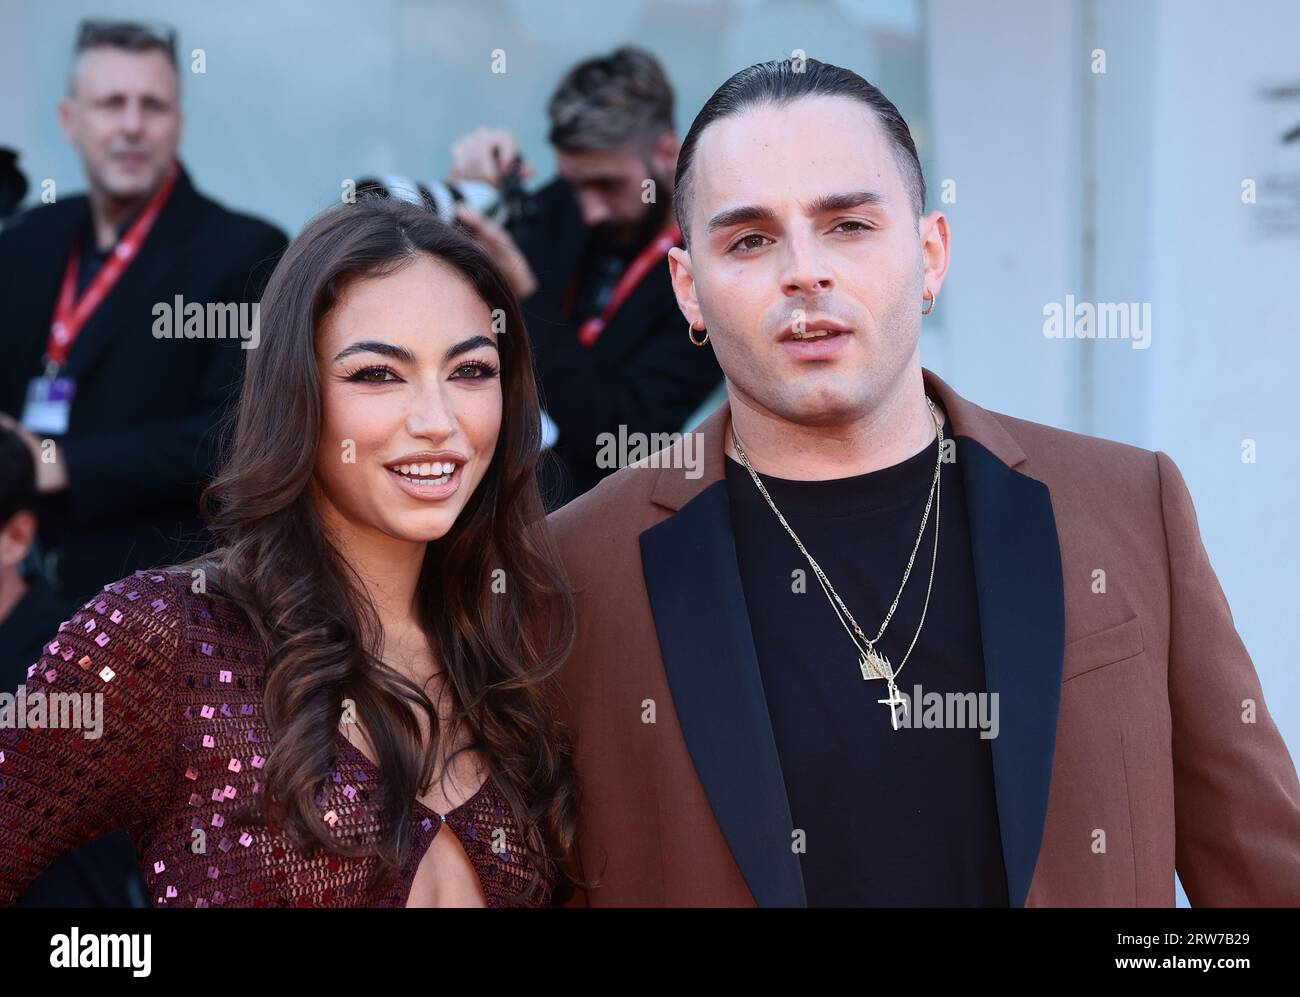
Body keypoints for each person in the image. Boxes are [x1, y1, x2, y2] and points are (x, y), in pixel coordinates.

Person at [545, 58, 1300, 906]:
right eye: (750, 239)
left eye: (849, 225)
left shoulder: (1129, 505)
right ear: (689, 289)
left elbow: (1261, 880)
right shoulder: (575, 567)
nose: (805, 271)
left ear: (931, 253)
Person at [0, 197, 582, 908]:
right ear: (296, 390)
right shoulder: (167, 637)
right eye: (377, 374)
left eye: (470, 371)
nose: (438, 421)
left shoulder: (525, 643)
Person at [0, 20, 288, 607]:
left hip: (157, 595)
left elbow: (235, 436)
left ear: (178, 123)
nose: (131, 125)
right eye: (110, 104)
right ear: (69, 120)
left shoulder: (244, 250)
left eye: (152, 105)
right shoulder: (27, 236)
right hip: (16, 584)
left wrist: (63, 464)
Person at [449, 46, 724, 509]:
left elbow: (617, 441)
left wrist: (524, 300)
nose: (589, 210)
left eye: (606, 185)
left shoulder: (713, 280)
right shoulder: (568, 202)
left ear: (667, 154)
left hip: (584, 519)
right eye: (575, 184)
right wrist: (473, 197)